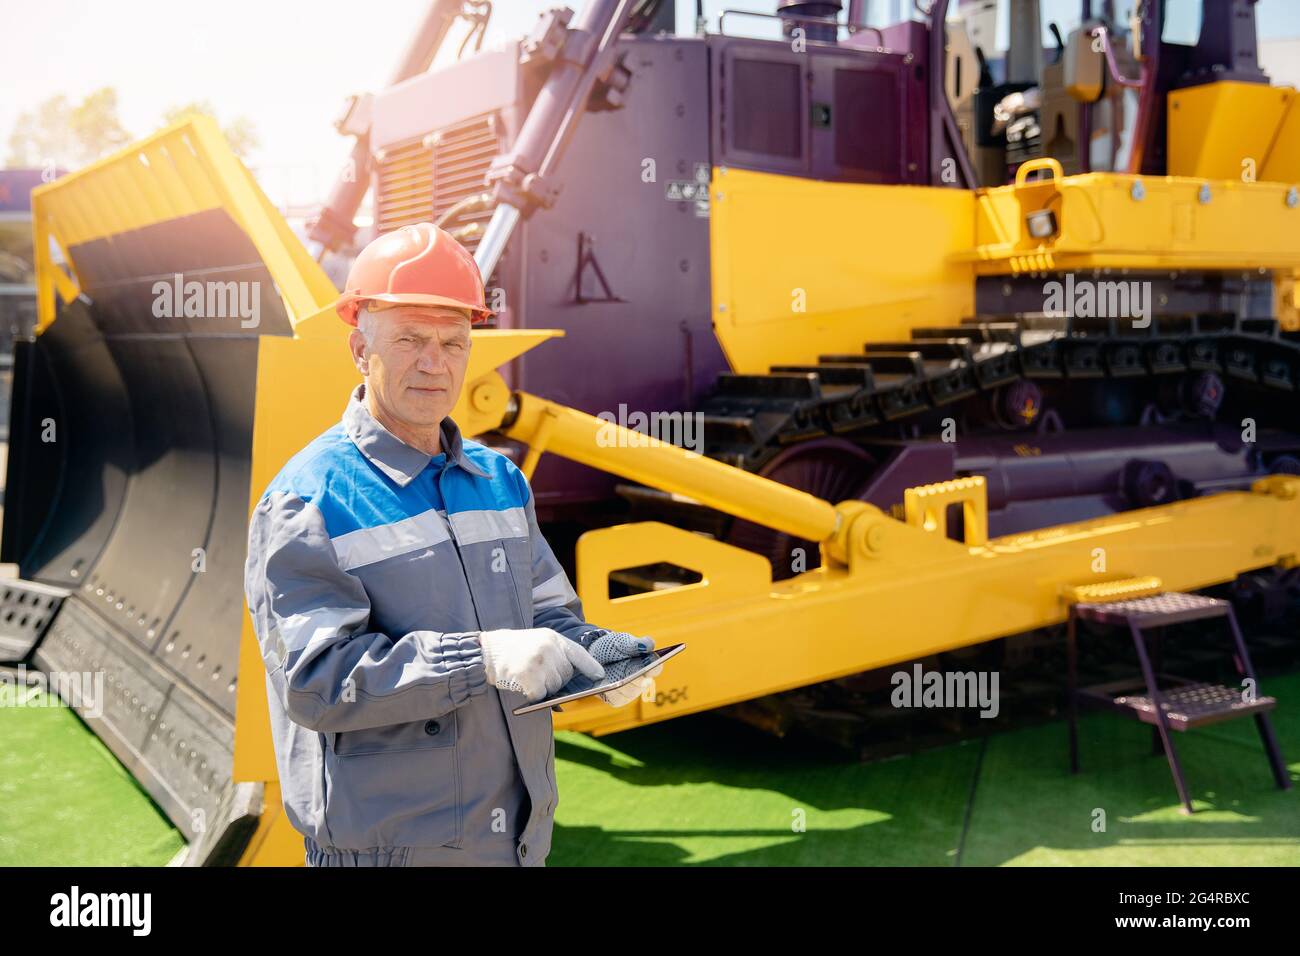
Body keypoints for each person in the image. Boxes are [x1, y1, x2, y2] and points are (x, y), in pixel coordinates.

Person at [244, 222, 659, 867]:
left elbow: (547, 614)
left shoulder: (498, 482)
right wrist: (481, 658)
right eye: (409, 339)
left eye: (453, 342)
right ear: (359, 347)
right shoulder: (308, 499)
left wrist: (600, 656)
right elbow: (314, 680)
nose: (434, 363)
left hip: (516, 838)